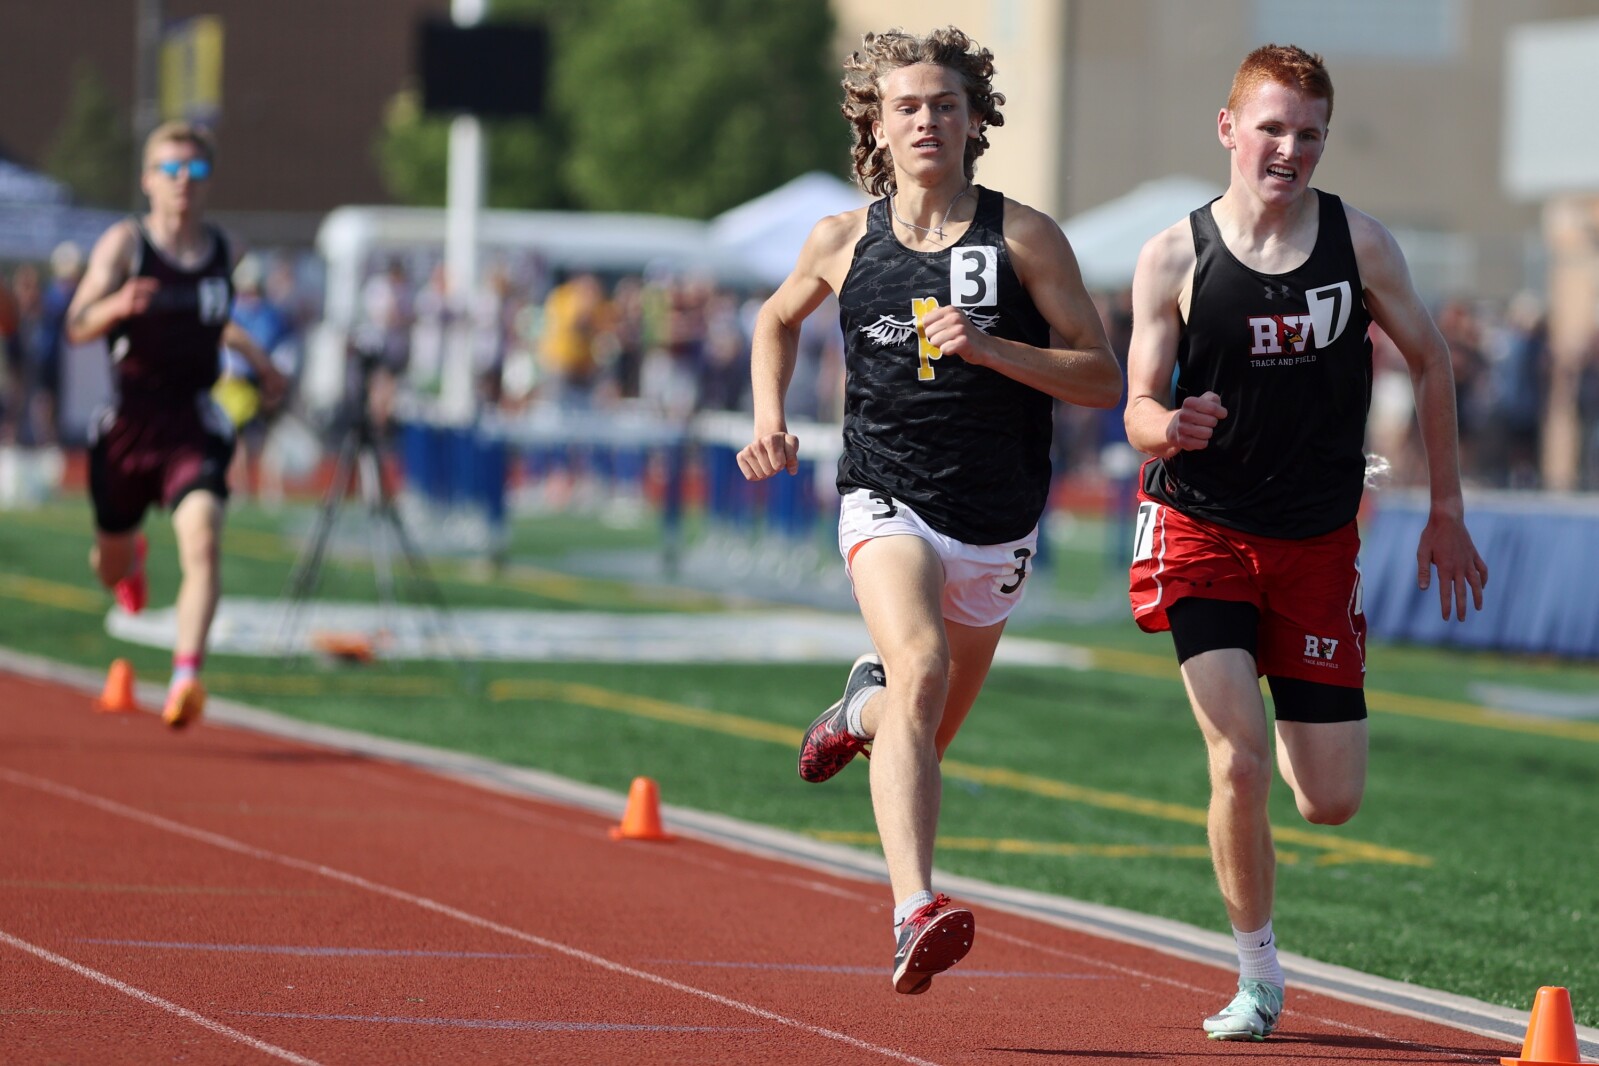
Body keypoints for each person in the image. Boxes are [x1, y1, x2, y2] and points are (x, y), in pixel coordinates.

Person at [737, 26, 1121, 995]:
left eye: (945, 104)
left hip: (997, 519)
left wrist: (995, 350)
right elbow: (773, 318)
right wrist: (771, 420)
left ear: (973, 118)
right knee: (922, 666)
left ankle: (854, 707)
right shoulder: (843, 239)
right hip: (884, 493)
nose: (927, 121)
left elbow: (1100, 377)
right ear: (876, 120)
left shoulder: (1023, 235)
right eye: (907, 105)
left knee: (918, 726)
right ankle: (915, 909)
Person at [1122, 45, 1488, 1041]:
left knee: (1329, 800)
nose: (1290, 149)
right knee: (1234, 763)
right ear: (1229, 128)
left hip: (1318, 542)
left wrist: (1446, 511)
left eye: (1310, 134)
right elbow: (1136, 409)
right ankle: (1258, 973)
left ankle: (1289, 719)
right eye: (1273, 128)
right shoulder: (1174, 255)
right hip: (1200, 528)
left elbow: (1435, 361)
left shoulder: (1359, 246)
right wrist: (1171, 426)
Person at [66, 120, 283, 730]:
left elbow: (216, 322)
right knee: (108, 566)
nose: (183, 182)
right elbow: (76, 323)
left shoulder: (223, 249)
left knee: (204, 541)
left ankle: (187, 674)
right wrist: (115, 304)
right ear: (147, 180)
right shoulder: (124, 245)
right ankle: (127, 557)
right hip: (129, 427)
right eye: (170, 169)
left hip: (192, 421)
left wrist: (260, 362)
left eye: (196, 171)